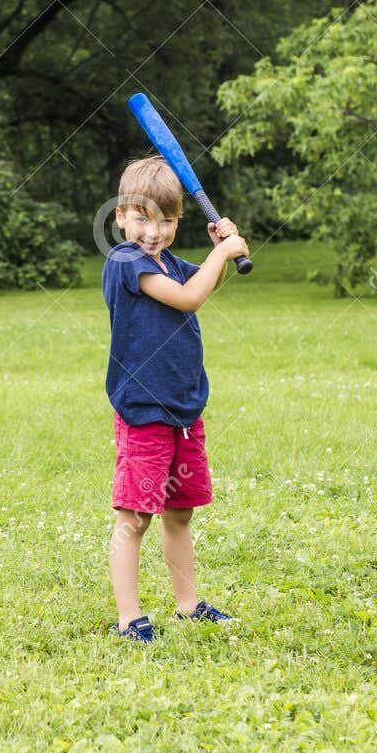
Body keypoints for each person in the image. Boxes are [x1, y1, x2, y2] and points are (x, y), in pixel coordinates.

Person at [102, 157, 249, 643]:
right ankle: (129, 619)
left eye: (165, 221)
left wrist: (217, 252)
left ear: (177, 222)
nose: (153, 230)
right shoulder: (125, 262)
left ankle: (187, 605)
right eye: (142, 218)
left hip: (184, 409)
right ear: (121, 216)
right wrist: (222, 254)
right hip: (145, 411)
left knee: (179, 512)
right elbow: (188, 298)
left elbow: (202, 285)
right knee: (135, 517)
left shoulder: (171, 263)